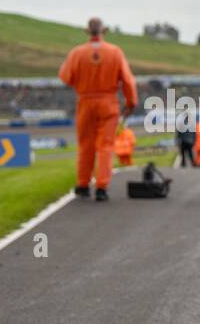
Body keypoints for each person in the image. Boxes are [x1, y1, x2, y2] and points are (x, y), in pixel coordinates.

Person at [57, 17, 139, 202]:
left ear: (88, 32)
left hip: (85, 101)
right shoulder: (115, 52)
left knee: (86, 145)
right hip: (108, 102)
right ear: (104, 31)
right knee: (105, 146)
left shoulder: (77, 53)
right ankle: (102, 186)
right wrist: (131, 102)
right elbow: (128, 80)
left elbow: (65, 77)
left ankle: (83, 184)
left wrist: (83, 83)